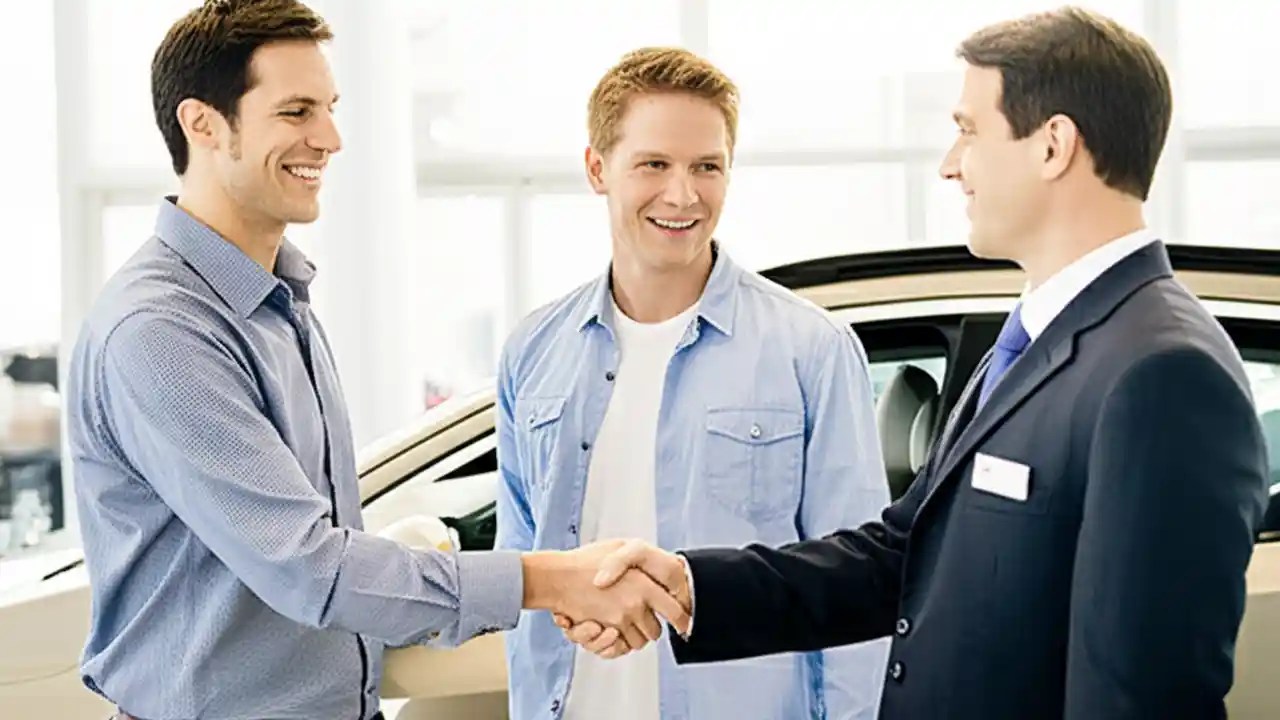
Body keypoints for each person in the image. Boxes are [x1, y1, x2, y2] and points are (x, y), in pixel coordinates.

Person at [564, 8, 1270, 719]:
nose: (949, 163)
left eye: (968, 129)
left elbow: (1136, 701)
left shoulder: (1164, 375)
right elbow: (903, 555)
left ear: (1053, 145)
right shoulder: (1037, 337)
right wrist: (691, 586)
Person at [65, 2, 684, 719]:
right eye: (297, 112)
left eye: (329, 108)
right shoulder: (161, 332)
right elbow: (313, 570)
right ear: (202, 124)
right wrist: (552, 582)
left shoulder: (279, 301)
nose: (329, 138)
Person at [495, 47, 890, 720]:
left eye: (707, 167)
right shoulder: (533, 352)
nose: (683, 195)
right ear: (598, 168)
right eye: (654, 164)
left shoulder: (812, 351)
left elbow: (857, 599)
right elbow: (518, 573)